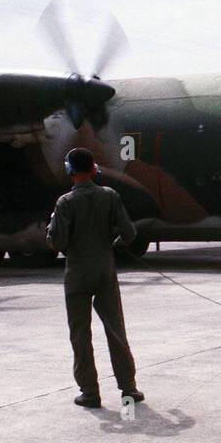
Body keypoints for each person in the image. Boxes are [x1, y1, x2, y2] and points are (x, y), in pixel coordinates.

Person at [47, 147, 144, 408]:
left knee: (80, 334)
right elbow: (129, 234)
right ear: (93, 169)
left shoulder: (65, 202)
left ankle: (90, 392)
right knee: (116, 329)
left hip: (77, 274)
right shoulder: (110, 196)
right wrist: (109, 243)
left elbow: (57, 242)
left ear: (69, 170)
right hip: (104, 271)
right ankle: (129, 388)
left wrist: (52, 225)